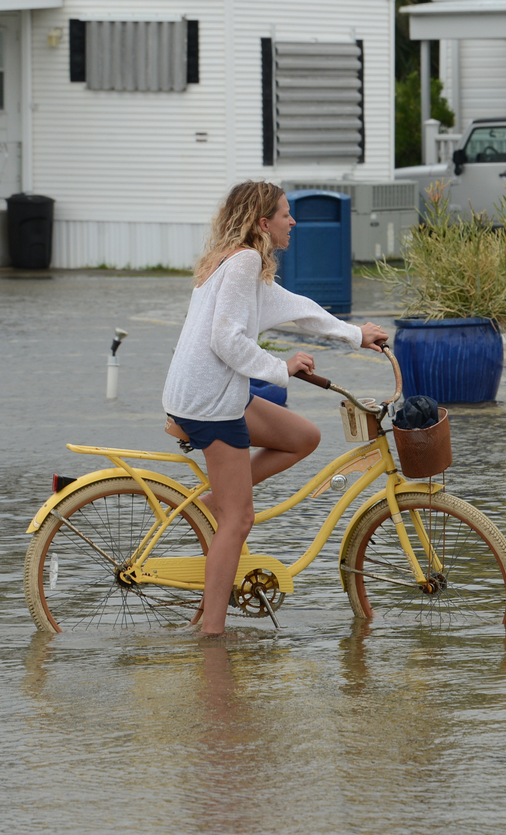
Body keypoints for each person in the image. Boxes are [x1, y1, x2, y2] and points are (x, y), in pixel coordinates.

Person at [163, 181, 388, 636]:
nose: (293, 221)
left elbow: (298, 308)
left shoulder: (234, 260)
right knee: (240, 519)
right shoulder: (244, 261)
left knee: (303, 437)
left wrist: (354, 334)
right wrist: (280, 368)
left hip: (209, 393)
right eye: (286, 214)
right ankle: (212, 636)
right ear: (263, 223)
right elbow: (226, 340)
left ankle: (210, 507)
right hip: (211, 403)